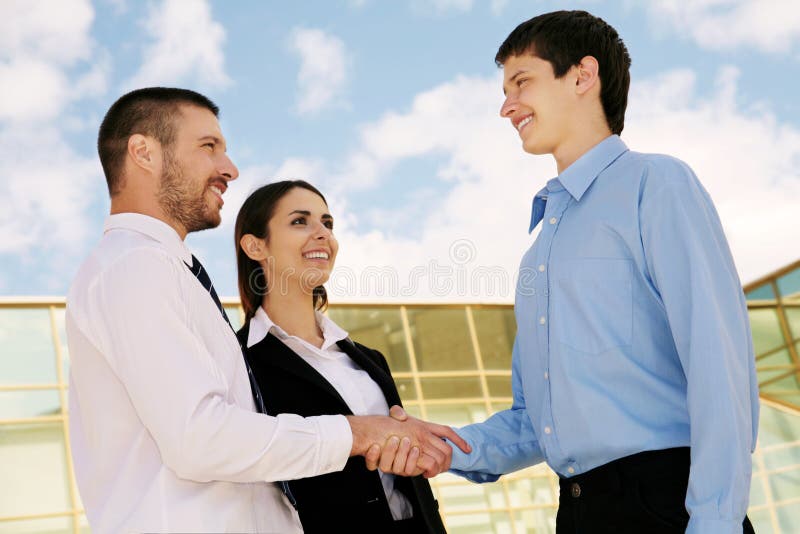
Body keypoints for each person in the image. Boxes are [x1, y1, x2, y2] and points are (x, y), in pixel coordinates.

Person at [66, 87, 468, 533]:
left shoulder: (166, 270)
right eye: (208, 147)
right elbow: (199, 439)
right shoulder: (134, 266)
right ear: (143, 152)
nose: (230, 169)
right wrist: (360, 432)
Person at [434, 10, 759, 534]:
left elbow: (718, 368)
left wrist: (715, 522)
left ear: (583, 76)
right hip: (580, 512)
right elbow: (535, 424)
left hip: (668, 506)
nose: (505, 106)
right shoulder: (537, 253)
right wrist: (442, 447)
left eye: (521, 82)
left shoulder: (657, 184)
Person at [234, 180, 448, 533]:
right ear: (256, 245)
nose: (323, 234)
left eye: (328, 223)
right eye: (300, 221)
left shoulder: (370, 359)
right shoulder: (239, 362)